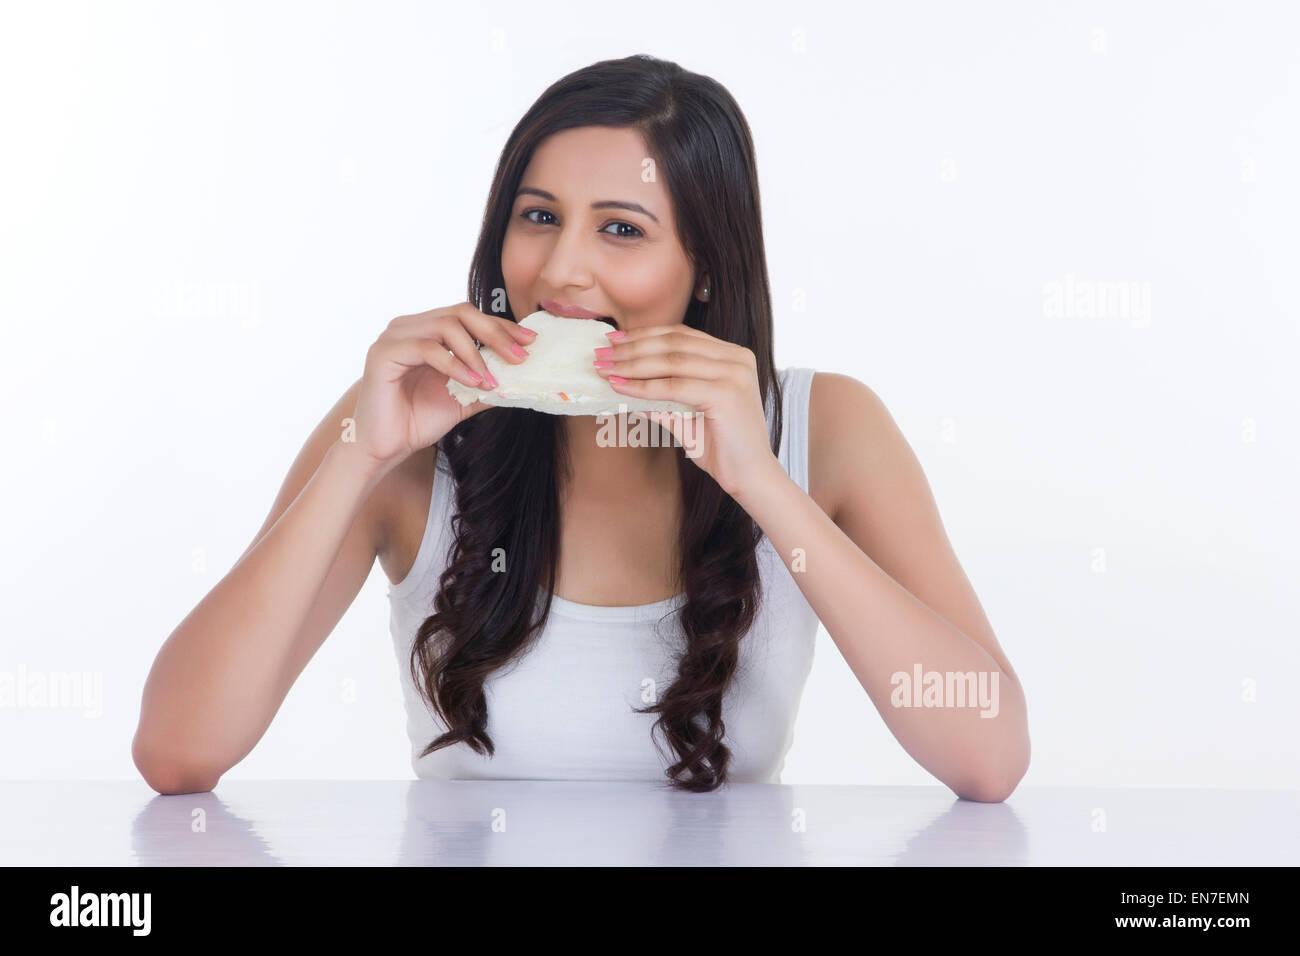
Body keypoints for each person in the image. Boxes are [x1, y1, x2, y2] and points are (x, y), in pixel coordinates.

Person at [134, 54, 1029, 798]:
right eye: (540, 218)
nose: (563, 271)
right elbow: (178, 753)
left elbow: (989, 762)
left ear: (706, 266)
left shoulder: (824, 427)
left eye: (622, 230)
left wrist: (761, 484)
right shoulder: (403, 427)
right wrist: (357, 458)